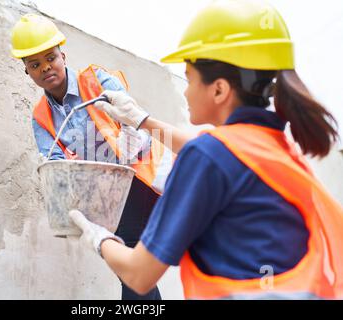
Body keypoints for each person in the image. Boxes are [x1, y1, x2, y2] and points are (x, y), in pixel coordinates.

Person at [69, 0, 343, 299]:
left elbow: (139, 274)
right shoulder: (280, 150)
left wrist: (100, 238)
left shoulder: (210, 156)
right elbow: (219, 154)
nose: (185, 90)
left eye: (189, 78)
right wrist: (142, 120)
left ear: (219, 89)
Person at [10, 14, 173, 300]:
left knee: (131, 266)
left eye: (51, 58)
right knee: (133, 269)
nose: (46, 67)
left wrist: (130, 130)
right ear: (27, 72)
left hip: (137, 178)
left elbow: (131, 120)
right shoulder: (41, 117)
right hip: (107, 193)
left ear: (63, 55)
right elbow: (55, 164)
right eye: (35, 64)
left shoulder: (97, 80)